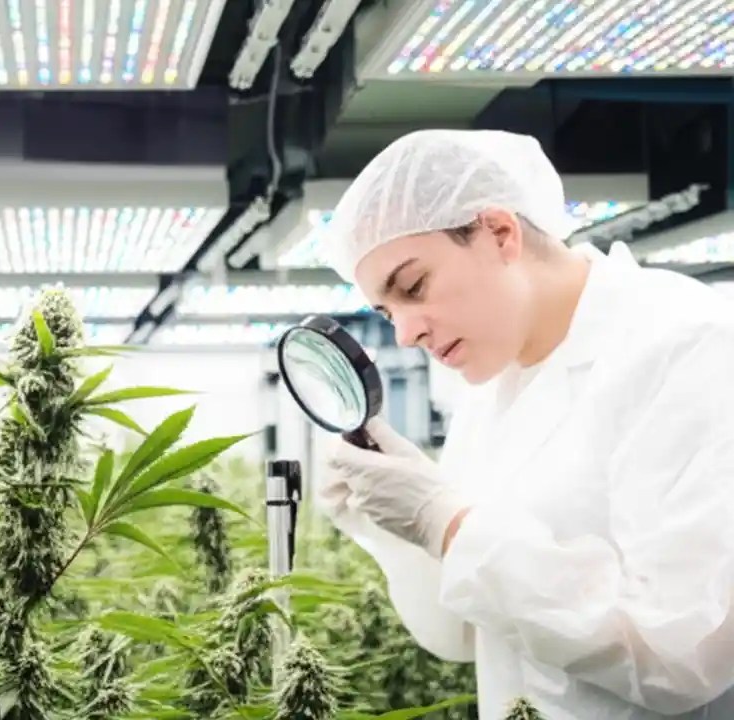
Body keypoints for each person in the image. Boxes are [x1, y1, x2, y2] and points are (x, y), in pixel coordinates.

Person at [314, 128, 734, 719]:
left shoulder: (686, 344)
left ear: (499, 233)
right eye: (388, 311)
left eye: (413, 287)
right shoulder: (490, 390)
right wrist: (394, 529)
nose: (406, 333)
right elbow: (462, 635)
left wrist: (448, 523)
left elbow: (683, 653)